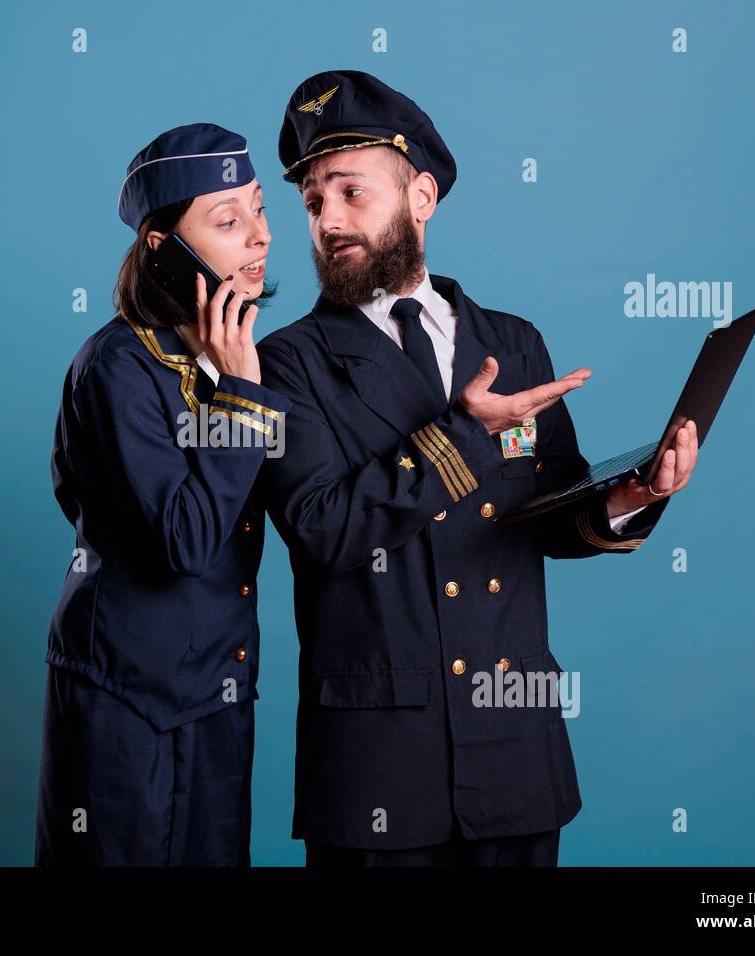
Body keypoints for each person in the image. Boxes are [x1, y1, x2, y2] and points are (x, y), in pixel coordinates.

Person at [257, 71, 700, 866]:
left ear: (420, 197)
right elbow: (323, 530)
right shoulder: (286, 364)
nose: (328, 220)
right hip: (379, 771)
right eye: (313, 202)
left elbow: (557, 515)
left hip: (514, 755)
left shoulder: (513, 342)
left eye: (351, 192)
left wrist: (638, 492)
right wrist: (464, 433)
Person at [35, 123, 289, 866]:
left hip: (218, 692)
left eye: (259, 209)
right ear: (161, 248)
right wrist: (242, 396)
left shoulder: (233, 358)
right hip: (124, 696)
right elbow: (182, 541)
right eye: (227, 220)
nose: (259, 238)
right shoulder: (117, 366)